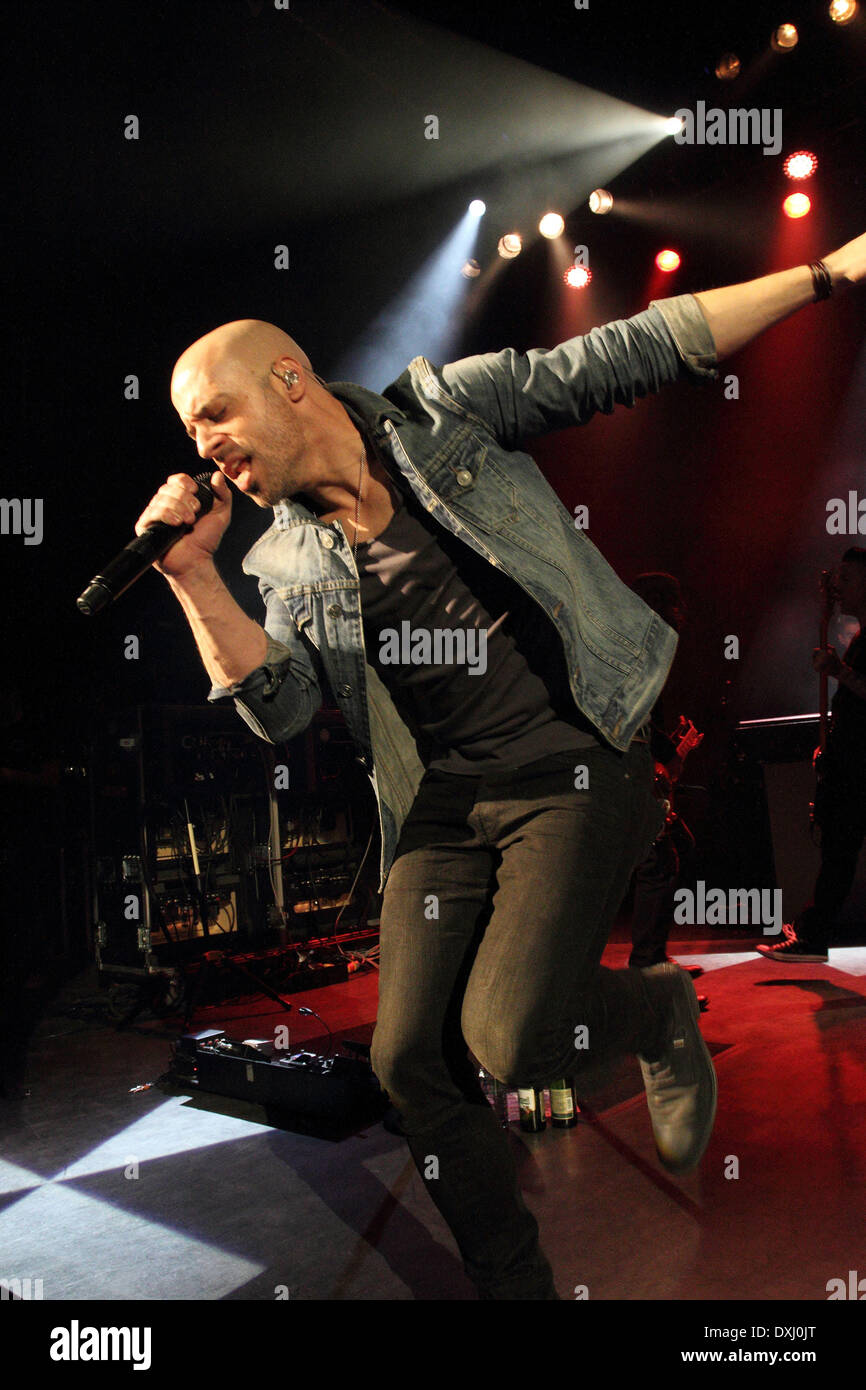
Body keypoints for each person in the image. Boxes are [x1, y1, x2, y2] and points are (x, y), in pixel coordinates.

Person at [137, 236, 865, 1299]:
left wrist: (819, 275)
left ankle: (656, 1008)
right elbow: (285, 706)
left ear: (288, 383)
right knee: (407, 1066)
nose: (208, 452)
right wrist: (193, 578)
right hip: (441, 807)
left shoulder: (443, 412)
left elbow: (634, 349)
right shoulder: (277, 557)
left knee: (514, 1039)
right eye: (189, 434)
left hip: (577, 758)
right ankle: (513, 1287)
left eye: (215, 417)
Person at [757, 546, 866, 964]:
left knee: (840, 851)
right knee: (839, 849)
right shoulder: (859, 637)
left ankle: (813, 934)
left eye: (850, 580)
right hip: (851, 763)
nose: (841, 589)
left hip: (860, 769)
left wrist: (840, 672)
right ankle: (813, 931)